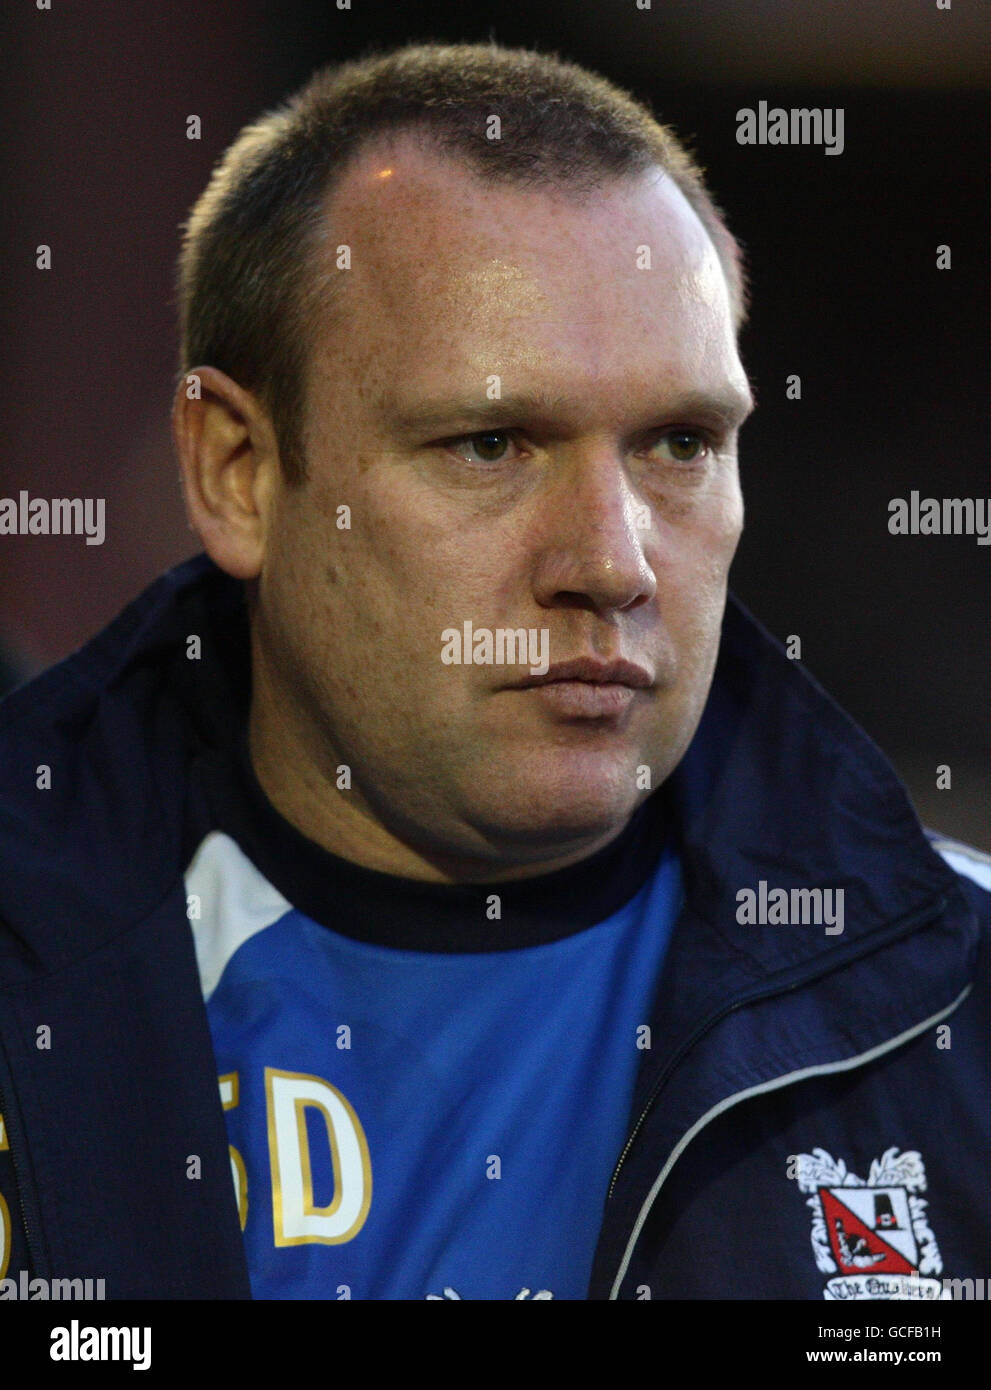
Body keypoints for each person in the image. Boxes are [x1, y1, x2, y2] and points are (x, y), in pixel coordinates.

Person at [0, 40, 988, 1303]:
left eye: (681, 443)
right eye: (489, 444)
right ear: (237, 473)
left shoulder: (962, 1002)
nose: (612, 561)